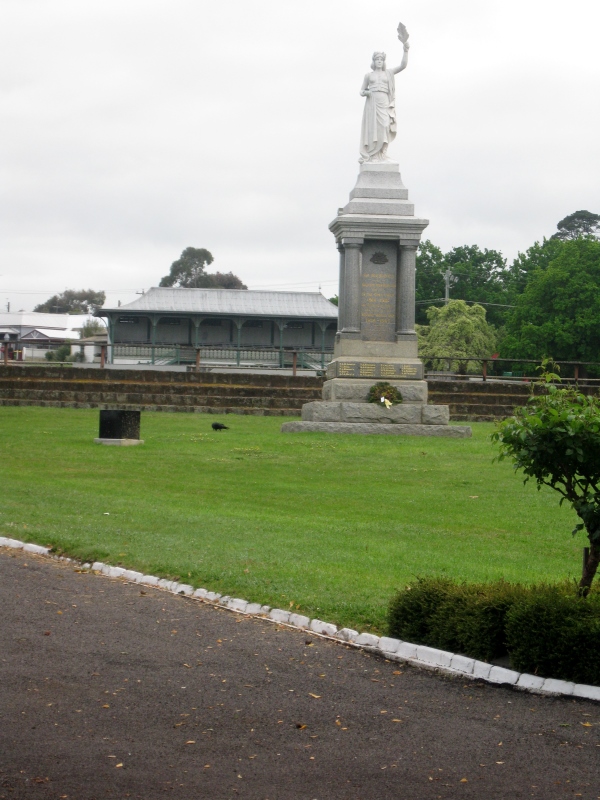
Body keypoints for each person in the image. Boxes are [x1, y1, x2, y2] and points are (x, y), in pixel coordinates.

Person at [359, 33, 410, 163]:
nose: (379, 61)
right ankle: (374, 156)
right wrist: (366, 93)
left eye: (381, 59)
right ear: (374, 61)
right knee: (374, 129)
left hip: (385, 102)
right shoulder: (369, 75)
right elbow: (361, 91)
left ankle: (383, 154)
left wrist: (405, 50)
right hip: (372, 102)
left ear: (383, 61)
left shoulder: (389, 73)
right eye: (377, 59)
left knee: (385, 126)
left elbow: (403, 65)